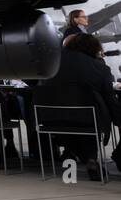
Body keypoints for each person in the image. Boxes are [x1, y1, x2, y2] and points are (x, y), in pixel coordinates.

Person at [35, 33, 121, 181]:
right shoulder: (99, 67)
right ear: (93, 47)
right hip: (88, 119)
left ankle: (73, 154)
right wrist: (118, 119)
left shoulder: (50, 64)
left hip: (51, 118)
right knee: (90, 117)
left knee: (75, 119)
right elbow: (109, 98)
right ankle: (91, 159)